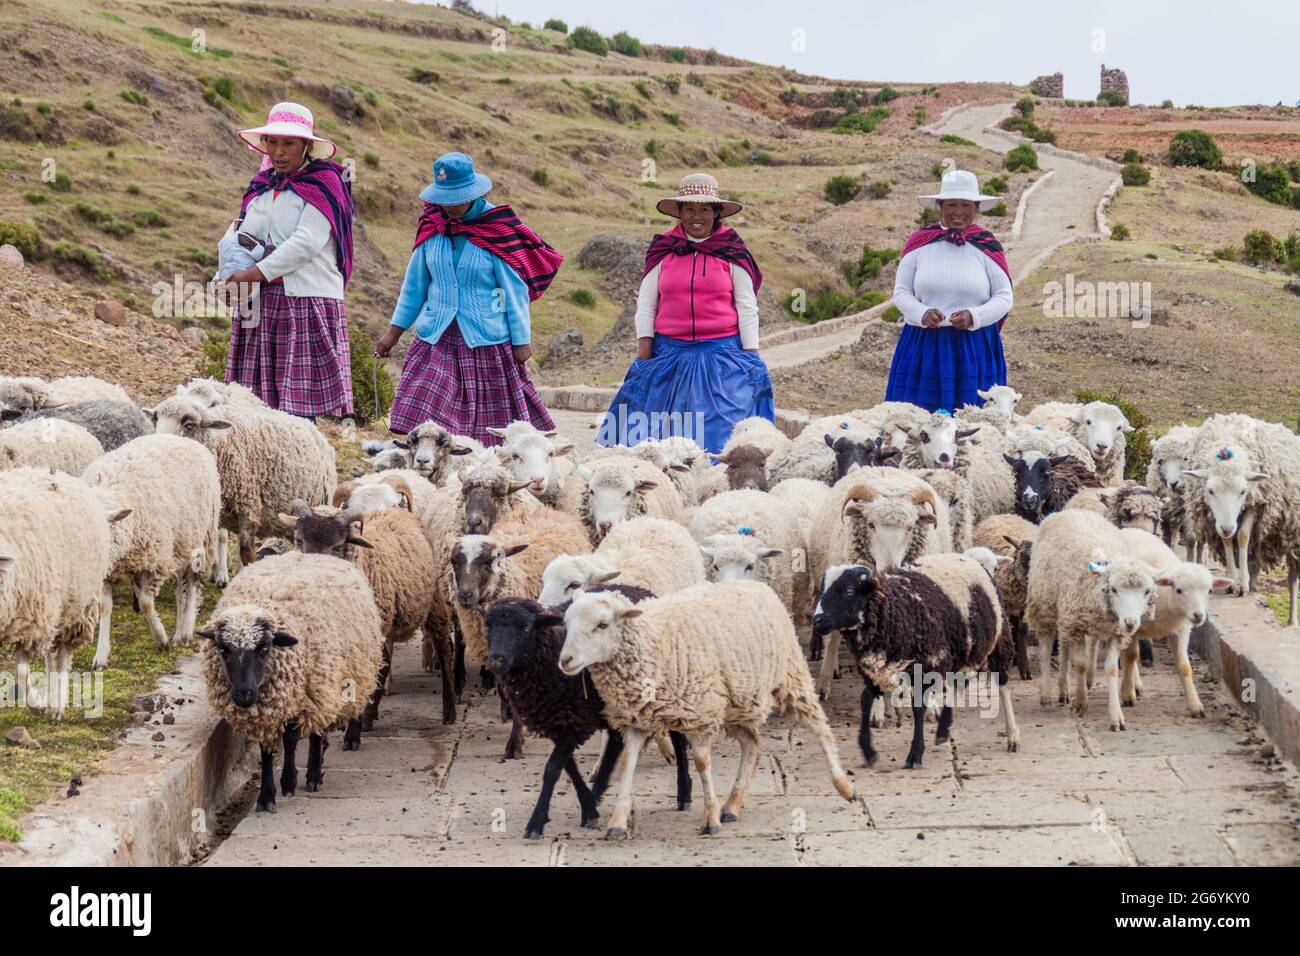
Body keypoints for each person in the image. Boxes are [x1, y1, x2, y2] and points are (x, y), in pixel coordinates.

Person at [375, 152, 562, 445]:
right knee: (426, 404)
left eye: (456, 200)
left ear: (474, 193)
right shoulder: (431, 228)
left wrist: (521, 340)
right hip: (435, 338)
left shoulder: (497, 231)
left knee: (493, 431)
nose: (448, 207)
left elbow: (514, 293)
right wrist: (392, 335)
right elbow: (414, 288)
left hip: (485, 340)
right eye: (443, 200)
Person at [597, 173, 772, 454]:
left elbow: (746, 304)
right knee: (653, 428)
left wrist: (750, 354)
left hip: (720, 354)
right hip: (668, 353)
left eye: (704, 209)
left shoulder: (732, 251)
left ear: (716, 213)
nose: (696, 216)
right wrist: (645, 345)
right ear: (679, 212)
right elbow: (647, 301)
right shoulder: (664, 249)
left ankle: (714, 482)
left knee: (719, 429)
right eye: (689, 208)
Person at [221, 102, 355, 419]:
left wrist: (254, 273)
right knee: (256, 405)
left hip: (305, 302)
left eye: (289, 143)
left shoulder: (326, 185)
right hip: (261, 302)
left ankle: (301, 464)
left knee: (297, 408)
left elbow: (306, 243)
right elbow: (241, 238)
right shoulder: (262, 188)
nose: (279, 152)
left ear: (306, 145)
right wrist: (228, 276)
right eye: (273, 142)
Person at [885, 169, 1013, 412]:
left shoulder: (987, 245)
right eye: (951, 204)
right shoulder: (919, 243)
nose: (958, 211)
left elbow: (1004, 297)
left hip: (974, 347)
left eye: (966, 205)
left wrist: (975, 316)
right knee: (914, 419)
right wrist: (922, 313)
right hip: (924, 346)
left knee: (975, 423)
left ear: (976, 207)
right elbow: (901, 292)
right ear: (940, 206)